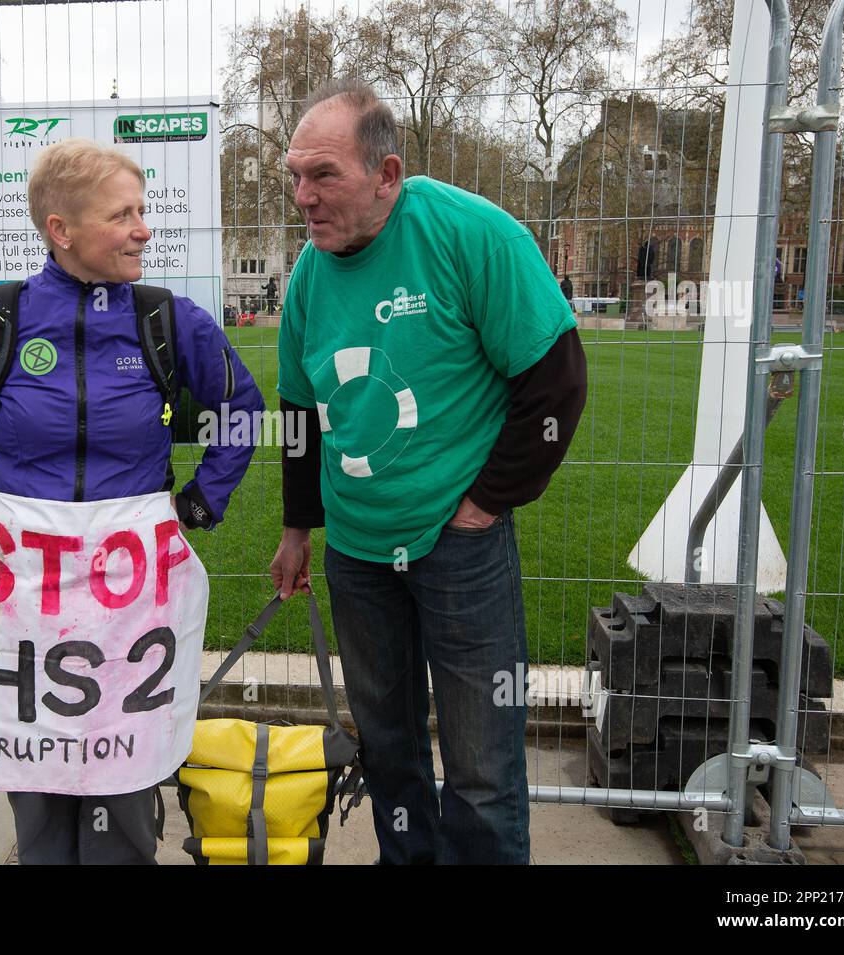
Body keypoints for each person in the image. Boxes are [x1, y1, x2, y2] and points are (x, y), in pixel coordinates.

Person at [0, 139, 263, 865]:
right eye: (123, 214)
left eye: (144, 210)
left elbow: (244, 408)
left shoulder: (168, 321)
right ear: (61, 228)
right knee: (42, 810)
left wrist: (201, 503)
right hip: (25, 613)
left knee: (124, 808)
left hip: (132, 611)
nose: (145, 227)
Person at [269, 80, 587, 865]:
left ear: (386, 173)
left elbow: (557, 382)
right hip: (357, 552)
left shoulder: (474, 236)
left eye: (323, 176)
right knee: (389, 748)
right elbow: (301, 413)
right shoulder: (311, 274)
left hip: (459, 547)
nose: (303, 197)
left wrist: (481, 505)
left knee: (481, 768)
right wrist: (297, 528)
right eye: (294, 177)